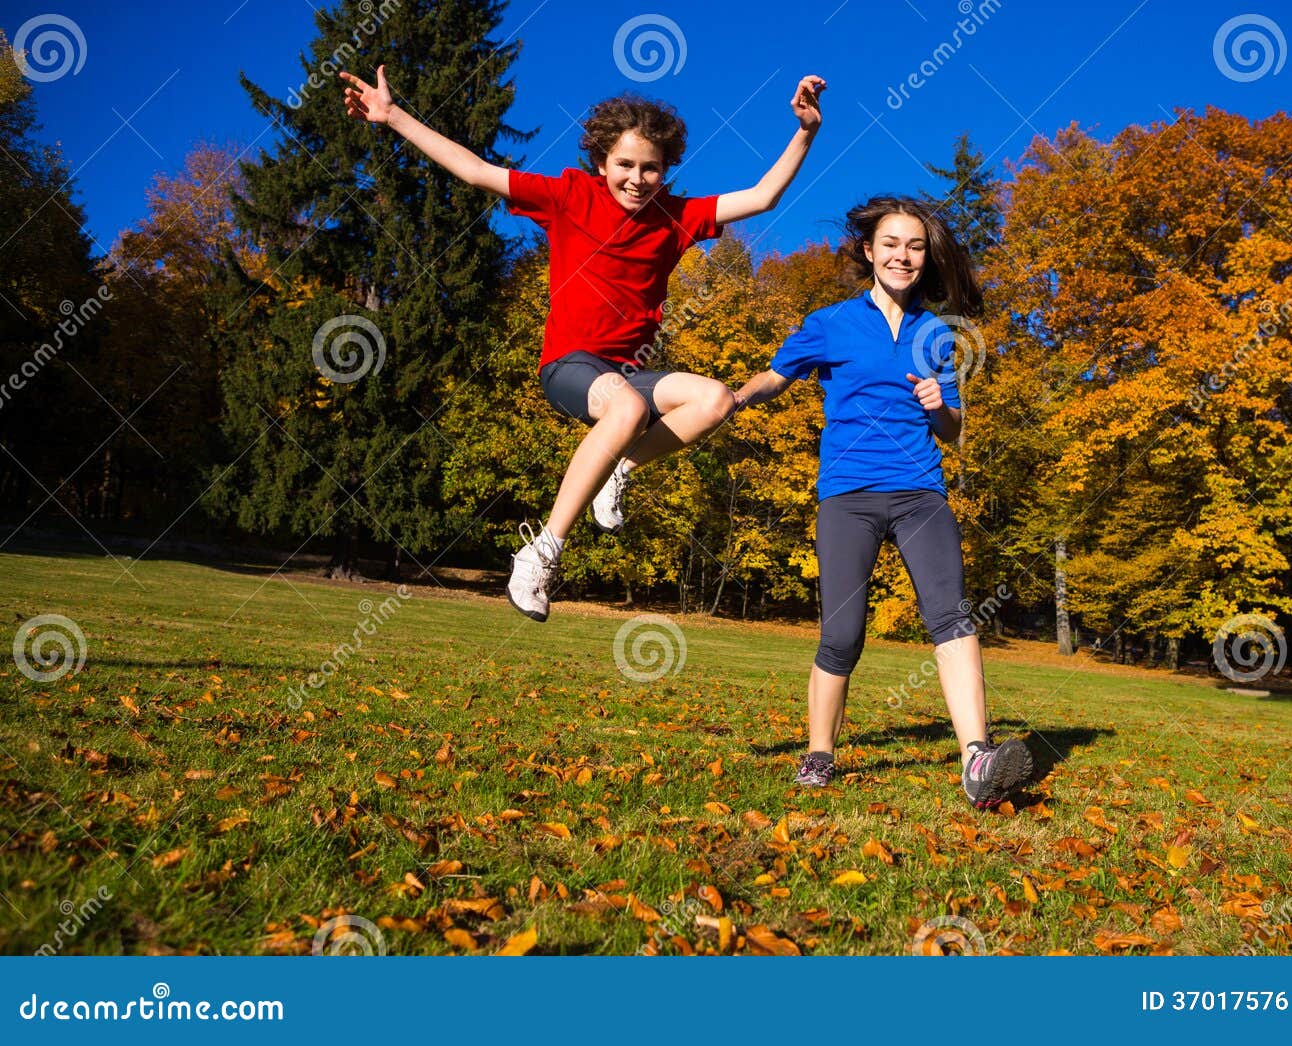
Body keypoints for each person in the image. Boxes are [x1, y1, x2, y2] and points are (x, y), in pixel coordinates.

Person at [340, 65, 826, 621]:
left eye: (651, 168)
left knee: (717, 398)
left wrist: (805, 131)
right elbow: (474, 170)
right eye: (624, 165)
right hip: (570, 364)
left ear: (667, 171)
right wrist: (392, 115)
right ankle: (542, 551)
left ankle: (618, 468)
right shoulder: (569, 195)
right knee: (623, 405)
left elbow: (762, 197)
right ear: (601, 163)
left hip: (628, 371)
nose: (637, 179)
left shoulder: (676, 217)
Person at [733, 196, 1032, 810]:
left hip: (921, 490)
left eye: (915, 246)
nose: (904, 255)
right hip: (848, 496)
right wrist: (732, 399)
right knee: (843, 631)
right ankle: (819, 753)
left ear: (925, 258)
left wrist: (938, 405)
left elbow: (951, 430)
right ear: (868, 252)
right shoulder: (830, 323)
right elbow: (774, 376)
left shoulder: (934, 334)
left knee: (952, 617)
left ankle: (976, 757)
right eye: (891, 244)